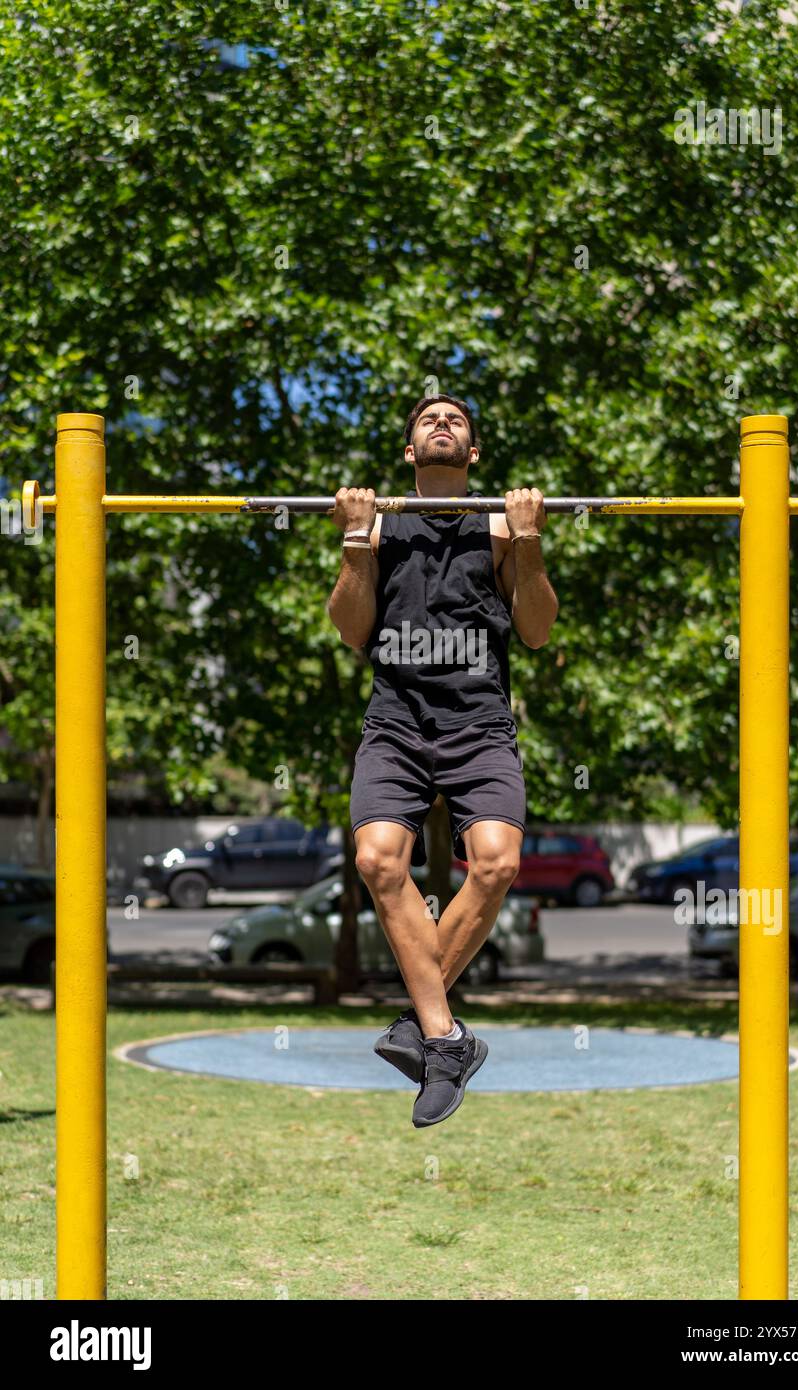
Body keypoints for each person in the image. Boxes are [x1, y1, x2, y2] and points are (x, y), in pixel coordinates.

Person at [326, 394, 558, 1126]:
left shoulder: (499, 525)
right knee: (377, 860)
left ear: (474, 453)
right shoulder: (380, 523)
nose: (441, 423)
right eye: (428, 419)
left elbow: (538, 630)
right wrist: (355, 542)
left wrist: (528, 543)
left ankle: (425, 1032)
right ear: (409, 453)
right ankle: (446, 1039)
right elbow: (351, 630)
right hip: (396, 720)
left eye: (455, 419)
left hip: (479, 721)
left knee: (496, 861)